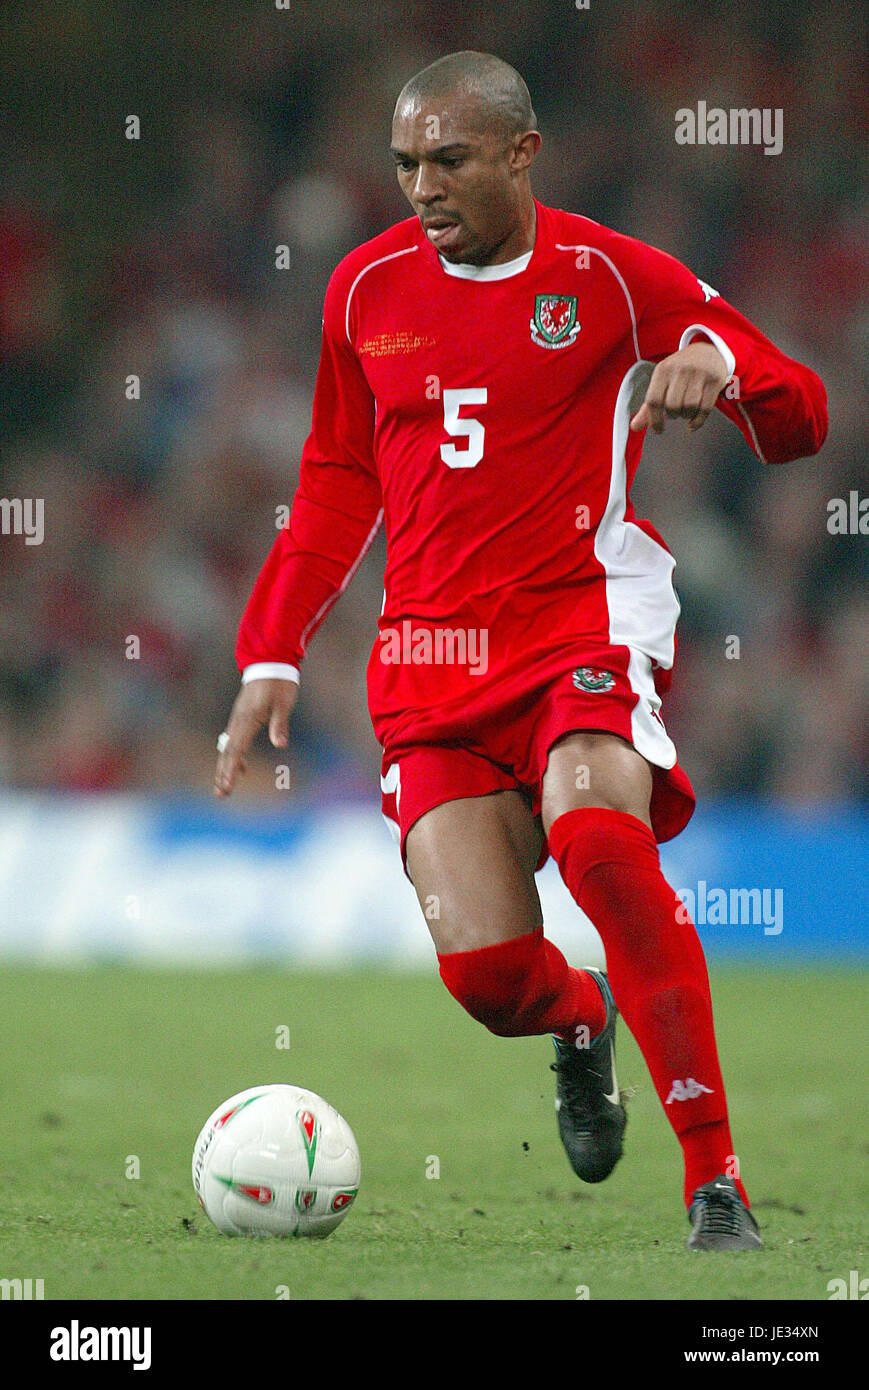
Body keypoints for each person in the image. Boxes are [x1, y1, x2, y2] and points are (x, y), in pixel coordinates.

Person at [213, 52, 827, 1250]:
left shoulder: (608, 275)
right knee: (489, 979)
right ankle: (579, 1020)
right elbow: (337, 477)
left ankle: (716, 1180)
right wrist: (269, 653)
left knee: (599, 839)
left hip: (574, 629)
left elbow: (799, 414)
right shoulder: (359, 290)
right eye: (403, 165)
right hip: (428, 667)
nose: (422, 188)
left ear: (519, 154)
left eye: (447, 160)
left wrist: (727, 366)